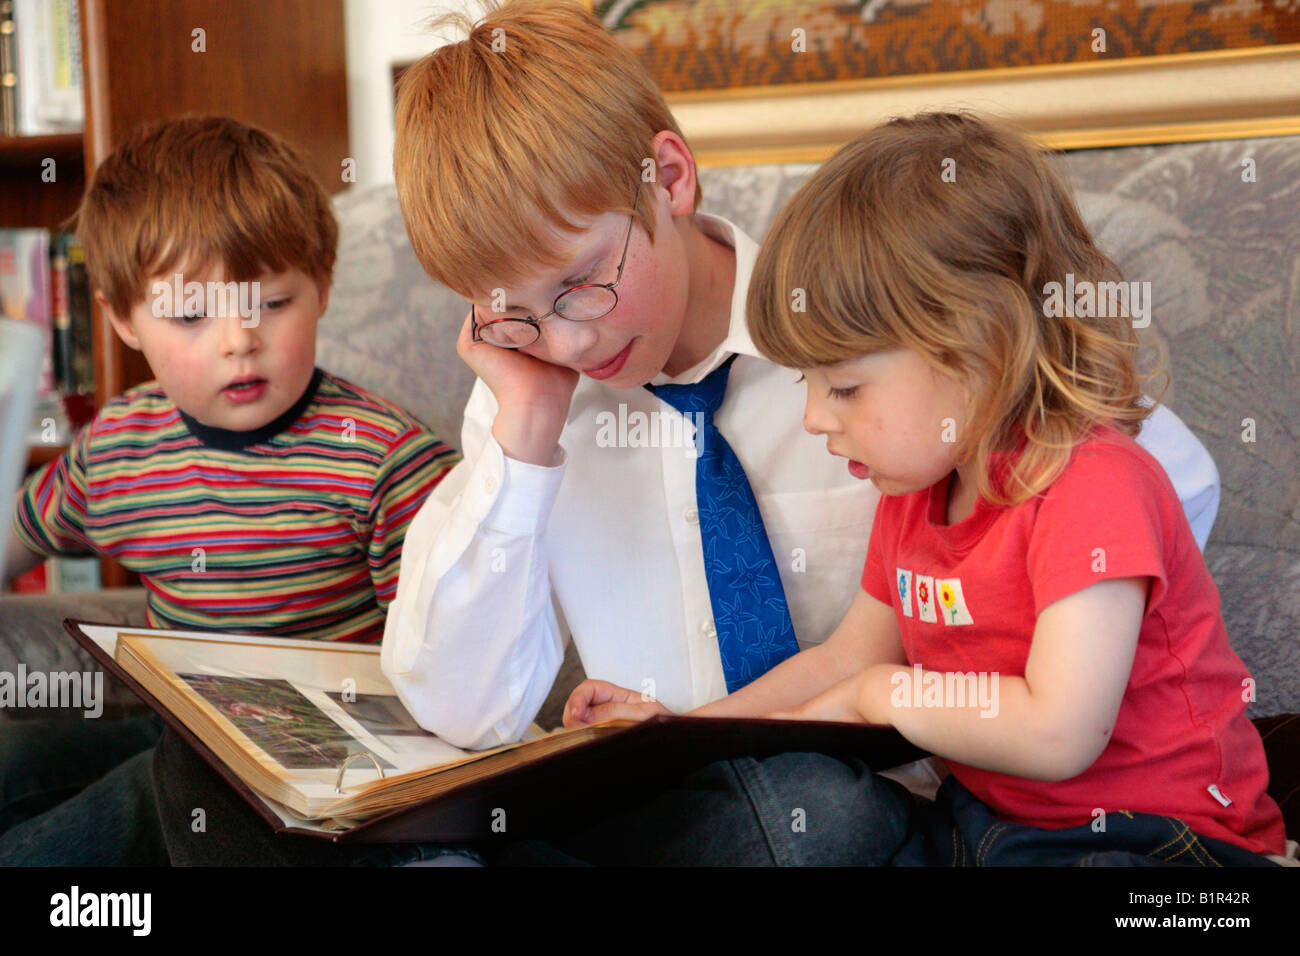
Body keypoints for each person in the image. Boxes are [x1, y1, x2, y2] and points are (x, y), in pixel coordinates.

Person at [152, 1, 1217, 866]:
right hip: (662, 798)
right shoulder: (529, 384)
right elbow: (462, 708)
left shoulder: (874, 327)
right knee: (193, 774)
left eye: (582, 285)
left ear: (667, 177)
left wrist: (1019, 578)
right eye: (513, 309)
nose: (562, 342)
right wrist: (522, 432)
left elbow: (1157, 474)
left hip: (860, 813)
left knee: (819, 813)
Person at [562, 111, 1293, 867]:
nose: (814, 418)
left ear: (980, 344)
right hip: (991, 826)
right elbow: (843, 662)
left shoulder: (1092, 484)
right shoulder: (916, 493)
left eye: (843, 386)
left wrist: (881, 697)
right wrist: (678, 734)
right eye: (807, 384)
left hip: (1165, 846)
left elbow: (1061, 733)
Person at [0, 115, 460, 865]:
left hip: (330, 754)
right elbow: (17, 535)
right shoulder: (119, 447)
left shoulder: (383, 459)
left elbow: (450, 665)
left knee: (108, 819)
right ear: (121, 319)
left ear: (322, 286)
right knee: (17, 759)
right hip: (180, 725)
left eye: (272, 304)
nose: (238, 338)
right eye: (189, 315)